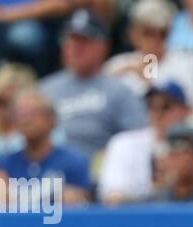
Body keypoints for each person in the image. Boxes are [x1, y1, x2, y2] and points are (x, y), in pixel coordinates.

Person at [39, 8, 147, 158]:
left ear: (103, 46)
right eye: (71, 40)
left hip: (100, 172)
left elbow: (139, 138)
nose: (76, 48)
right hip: (51, 173)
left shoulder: (119, 91)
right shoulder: (44, 90)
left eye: (84, 41)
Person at [98, 80, 193, 204]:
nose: (157, 113)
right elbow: (112, 197)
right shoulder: (123, 143)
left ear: (185, 110)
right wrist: (153, 197)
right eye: (151, 105)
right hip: (140, 220)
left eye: (166, 106)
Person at [0, 86, 91, 203]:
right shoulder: (4, 164)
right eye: (20, 114)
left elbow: (83, 208)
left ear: (52, 119)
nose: (26, 120)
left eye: (32, 113)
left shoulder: (73, 162)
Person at [103, 0, 184, 98]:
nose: (155, 39)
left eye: (162, 33)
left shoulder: (183, 64)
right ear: (134, 34)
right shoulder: (117, 64)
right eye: (148, 33)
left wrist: (145, 79)